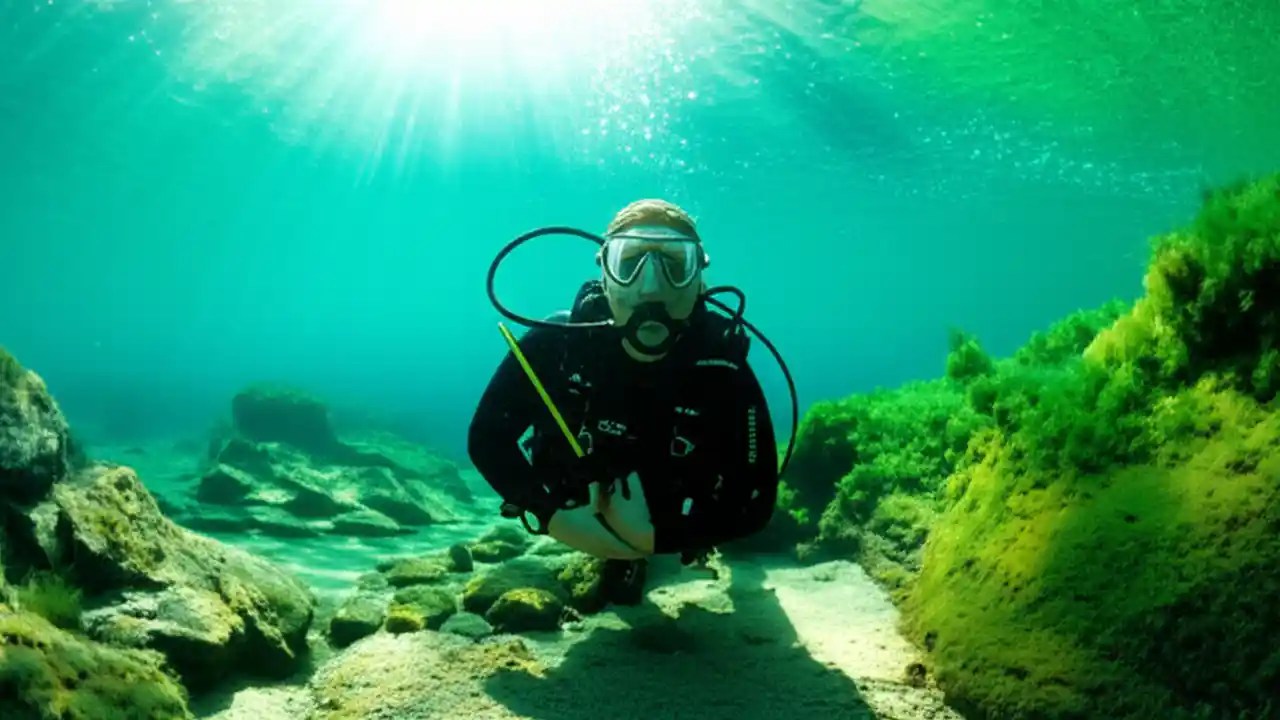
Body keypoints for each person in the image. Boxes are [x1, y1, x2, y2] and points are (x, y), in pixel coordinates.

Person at [467, 198, 781, 601]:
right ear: (605, 275)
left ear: (699, 280)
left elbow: (754, 503)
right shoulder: (557, 346)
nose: (651, 286)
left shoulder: (721, 367)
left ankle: (645, 553)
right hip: (573, 501)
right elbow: (487, 439)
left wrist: (666, 538)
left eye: (675, 264)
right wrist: (549, 514)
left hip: (675, 511)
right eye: (628, 262)